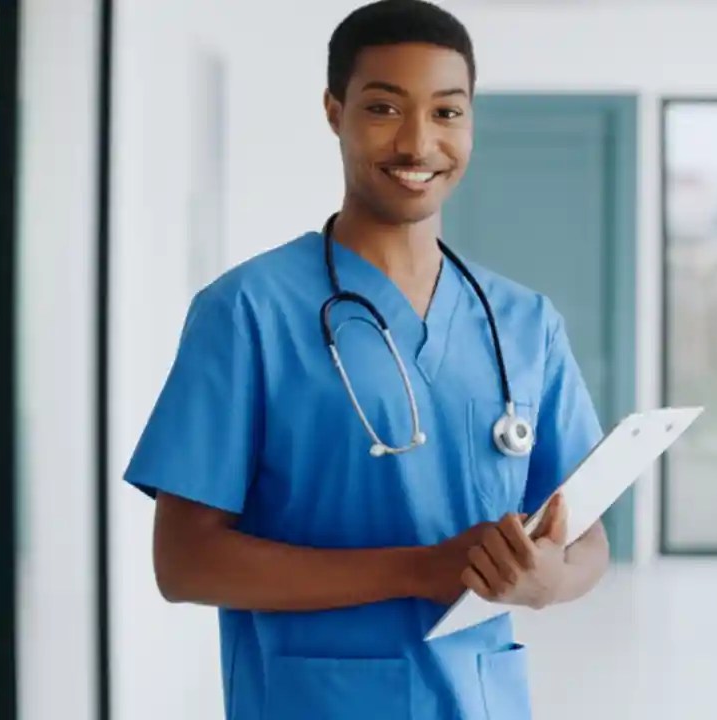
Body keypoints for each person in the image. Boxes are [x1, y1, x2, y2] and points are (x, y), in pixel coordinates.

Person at [123, 1, 609, 717]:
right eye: (384, 108)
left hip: (482, 696)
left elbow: (587, 537)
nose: (417, 143)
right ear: (334, 112)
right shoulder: (248, 310)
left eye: (447, 113)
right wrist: (418, 570)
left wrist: (548, 581)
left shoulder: (525, 323)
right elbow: (185, 563)